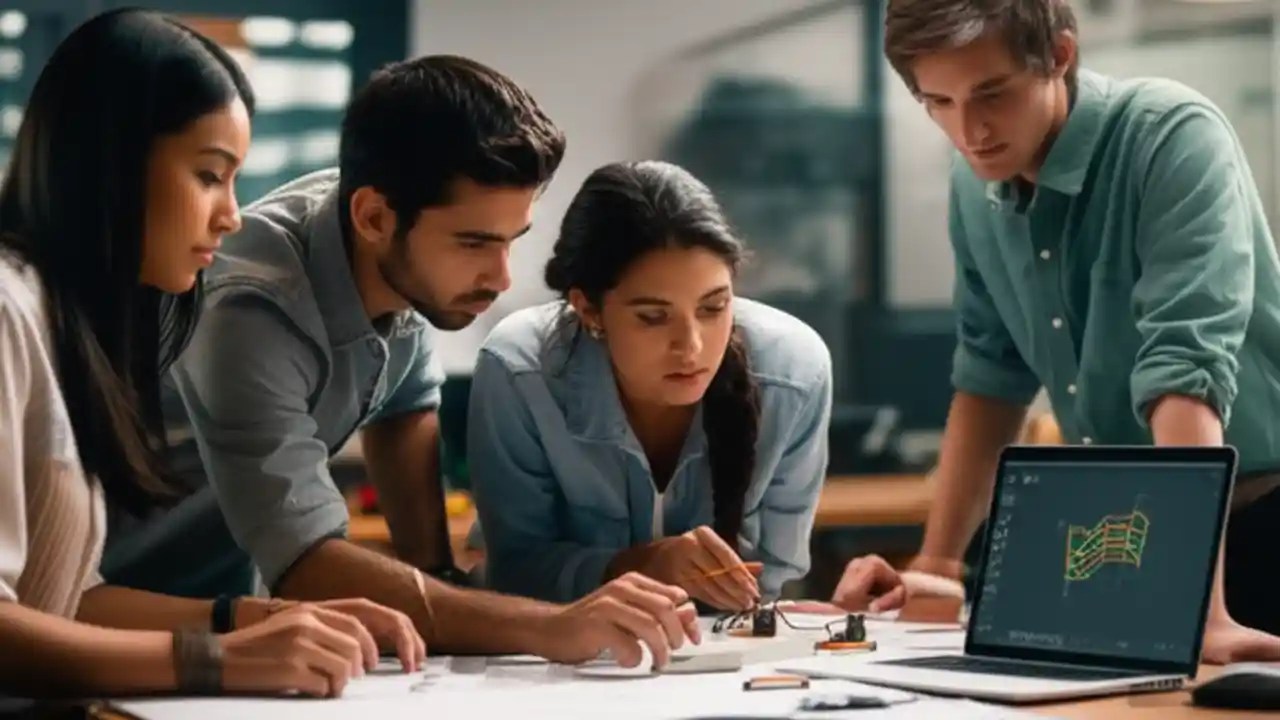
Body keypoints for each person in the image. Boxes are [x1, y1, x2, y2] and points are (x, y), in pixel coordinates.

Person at [109, 54, 698, 668]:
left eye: (509, 241)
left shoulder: (395, 252)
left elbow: (405, 405)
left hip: (245, 623)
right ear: (373, 218)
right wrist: (548, 626)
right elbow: (306, 564)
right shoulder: (250, 309)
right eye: (474, 243)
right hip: (121, 631)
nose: (500, 278)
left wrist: (434, 571)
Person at [830, 0, 1280, 664]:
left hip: (1258, 527)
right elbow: (989, 377)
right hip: (1125, 535)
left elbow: (1184, 371)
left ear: (1060, 55)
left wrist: (1202, 611)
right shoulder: (974, 182)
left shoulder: (1170, 134)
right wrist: (937, 568)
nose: (970, 130)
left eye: (992, 94)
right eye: (939, 103)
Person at [0, 9, 423, 698]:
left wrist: (249, 619)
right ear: (111, 163)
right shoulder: (6, 309)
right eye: (209, 174)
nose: (231, 214)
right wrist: (216, 662)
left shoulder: (66, 323)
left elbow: (65, 600)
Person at [467, 161, 832, 611]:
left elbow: (774, 575)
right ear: (589, 310)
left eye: (714, 307)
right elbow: (515, 571)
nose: (691, 346)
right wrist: (644, 566)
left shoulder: (793, 372)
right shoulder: (521, 370)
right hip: (557, 657)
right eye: (653, 317)